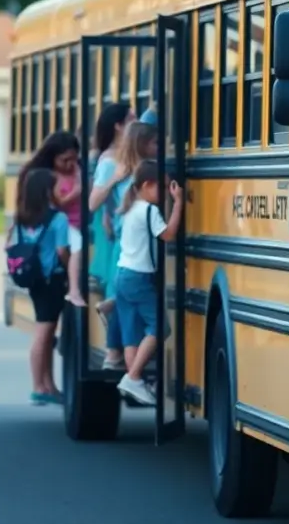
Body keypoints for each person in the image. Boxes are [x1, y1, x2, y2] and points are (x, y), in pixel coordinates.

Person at [113, 159, 184, 405]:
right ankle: (133, 378)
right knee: (160, 327)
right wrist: (178, 203)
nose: (165, 193)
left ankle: (136, 381)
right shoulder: (149, 210)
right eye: (162, 188)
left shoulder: (129, 208)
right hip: (139, 277)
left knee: (132, 334)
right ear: (147, 185)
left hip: (122, 274)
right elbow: (169, 234)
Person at [7, 167, 70, 405]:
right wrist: (72, 268)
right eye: (56, 186)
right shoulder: (58, 219)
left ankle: (47, 386)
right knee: (43, 334)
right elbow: (62, 251)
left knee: (44, 332)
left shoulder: (22, 217)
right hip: (51, 279)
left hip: (33, 278)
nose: (60, 189)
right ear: (47, 191)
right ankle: (38, 387)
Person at [87, 103, 137, 369]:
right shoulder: (109, 161)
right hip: (122, 235)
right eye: (131, 117)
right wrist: (115, 179)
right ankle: (113, 352)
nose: (136, 119)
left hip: (131, 232)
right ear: (118, 125)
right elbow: (92, 202)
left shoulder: (128, 153)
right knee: (123, 289)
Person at [17, 130, 85, 307]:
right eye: (65, 160)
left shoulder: (77, 170)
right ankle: (74, 289)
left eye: (74, 159)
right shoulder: (44, 177)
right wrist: (76, 192)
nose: (70, 164)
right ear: (52, 156)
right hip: (61, 229)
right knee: (77, 246)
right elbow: (49, 207)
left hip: (78, 225)